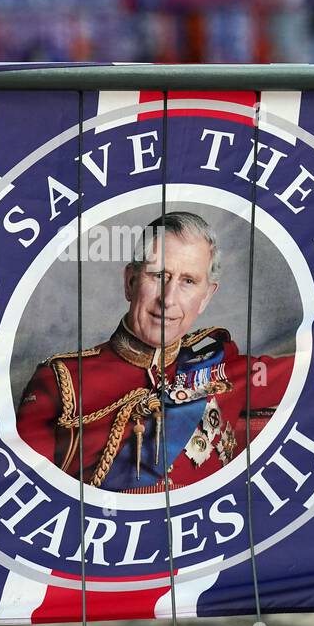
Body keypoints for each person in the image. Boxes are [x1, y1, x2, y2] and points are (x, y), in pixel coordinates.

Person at [16, 211, 293, 493]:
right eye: (159, 275)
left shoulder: (222, 366)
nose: (168, 299)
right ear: (130, 281)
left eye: (188, 281)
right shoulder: (62, 382)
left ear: (206, 296)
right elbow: (26, 494)